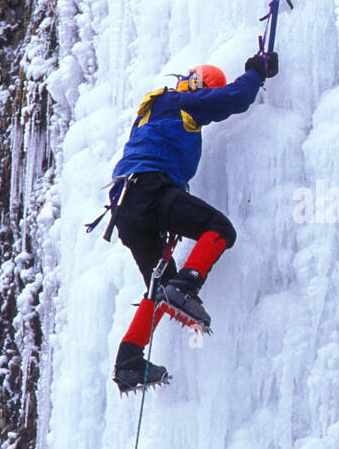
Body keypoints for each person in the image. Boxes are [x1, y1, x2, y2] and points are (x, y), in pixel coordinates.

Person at [109, 51, 278, 391]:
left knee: (158, 285)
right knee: (219, 229)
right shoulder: (179, 104)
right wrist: (255, 72)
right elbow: (236, 98)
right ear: (199, 86)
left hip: (125, 207)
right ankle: (186, 286)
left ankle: (128, 361)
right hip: (149, 189)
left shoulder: (152, 111)